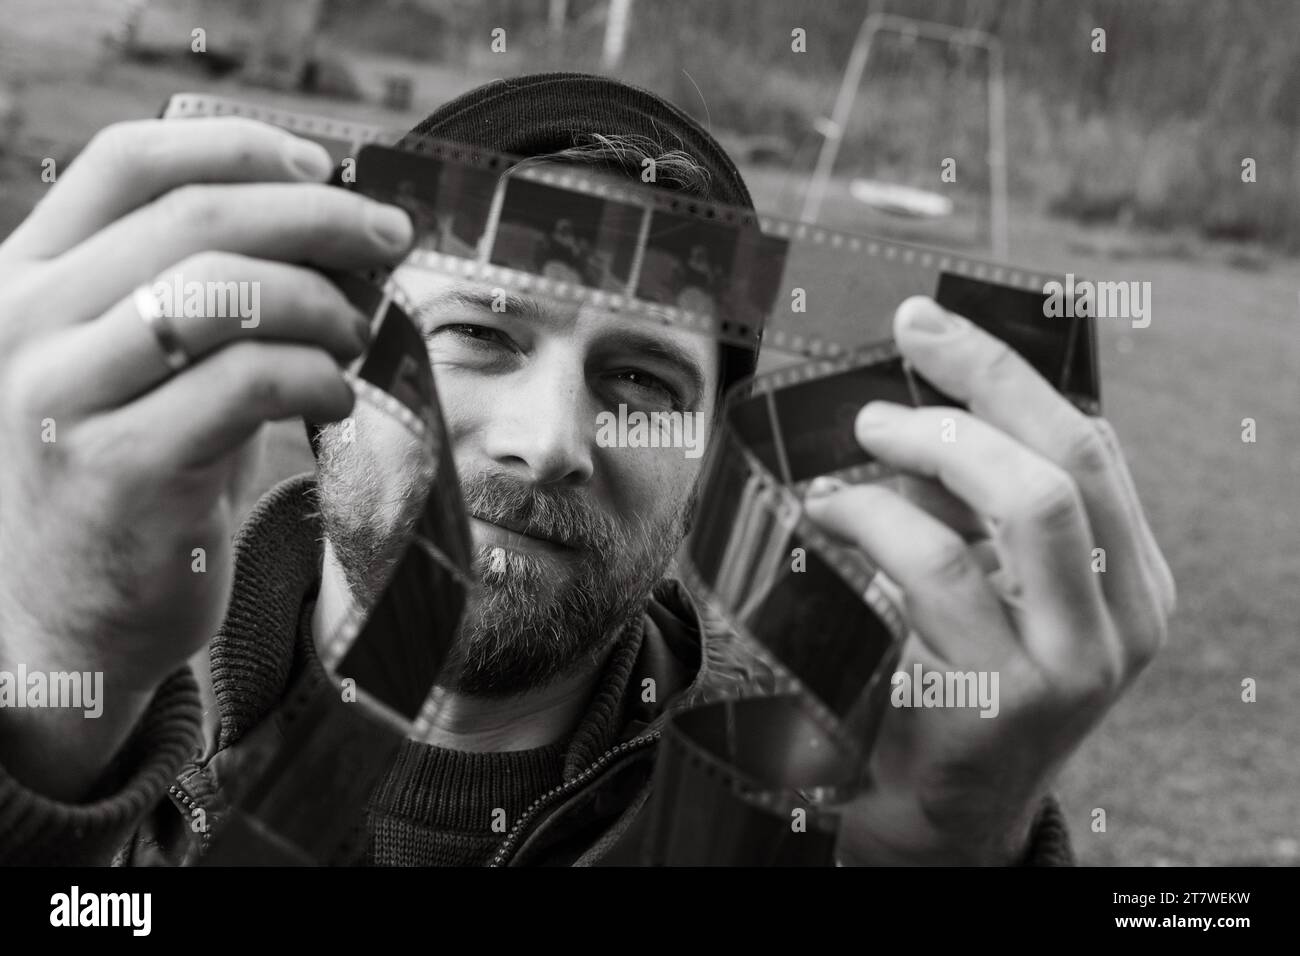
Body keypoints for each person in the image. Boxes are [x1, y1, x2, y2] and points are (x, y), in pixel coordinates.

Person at [0, 73, 1173, 866]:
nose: (550, 438)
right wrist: (58, 691)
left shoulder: (807, 813)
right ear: (331, 354)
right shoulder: (94, 705)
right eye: (479, 334)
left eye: (644, 383)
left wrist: (944, 856)